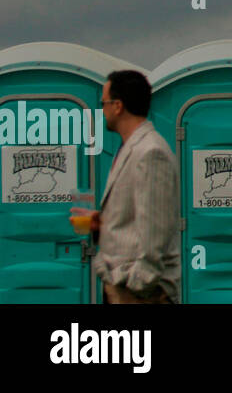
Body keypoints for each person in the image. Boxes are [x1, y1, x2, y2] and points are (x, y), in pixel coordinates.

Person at [71, 69, 181, 304]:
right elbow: (135, 218)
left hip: (140, 294)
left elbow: (155, 231)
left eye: (104, 104)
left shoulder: (150, 153)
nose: (102, 111)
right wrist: (102, 223)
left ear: (118, 106)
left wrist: (137, 283)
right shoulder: (130, 148)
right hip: (123, 288)